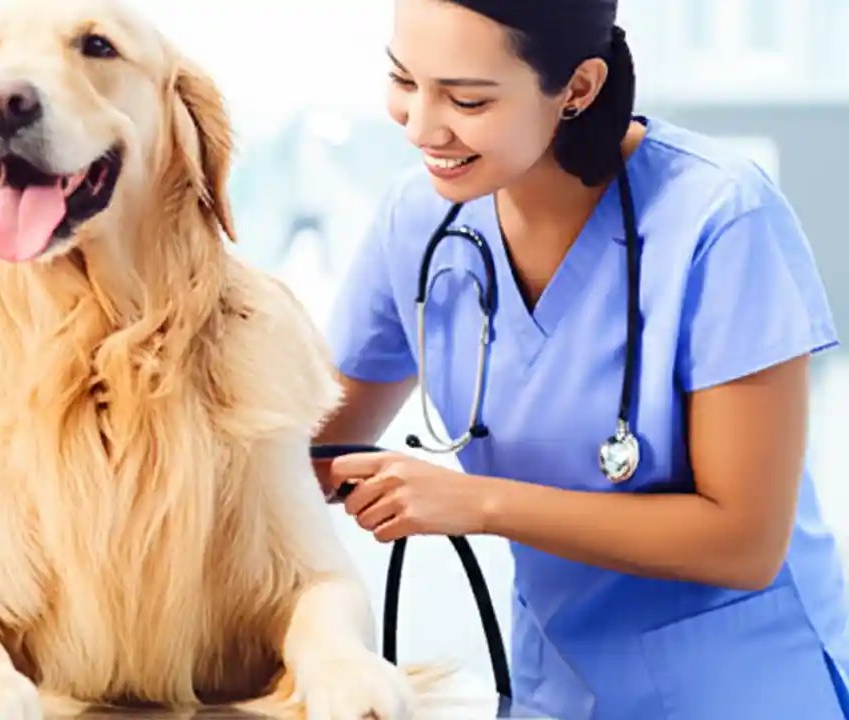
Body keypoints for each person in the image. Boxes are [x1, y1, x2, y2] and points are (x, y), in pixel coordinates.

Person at [315, 1, 849, 718]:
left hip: (742, 687)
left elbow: (744, 540)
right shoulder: (418, 222)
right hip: (559, 688)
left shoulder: (719, 216)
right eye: (403, 81)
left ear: (578, 88)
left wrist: (475, 504)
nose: (420, 126)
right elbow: (307, 446)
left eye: (466, 98)